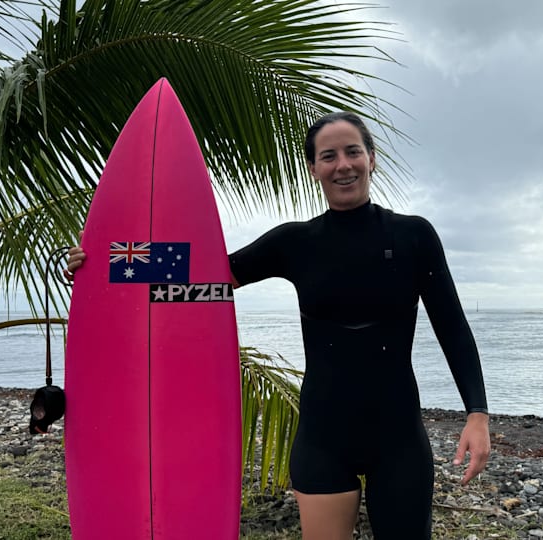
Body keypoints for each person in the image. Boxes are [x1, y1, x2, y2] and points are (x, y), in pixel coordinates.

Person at [65, 111, 490, 539]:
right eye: (329, 156)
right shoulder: (296, 242)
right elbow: (211, 275)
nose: (342, 164)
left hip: (398, 439)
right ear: (314, 169)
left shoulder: (413, 236)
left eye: (352, 152)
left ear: (371, 158)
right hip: (324, 437)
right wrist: (107, 261)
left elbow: (451, 326)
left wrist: (477, 414)